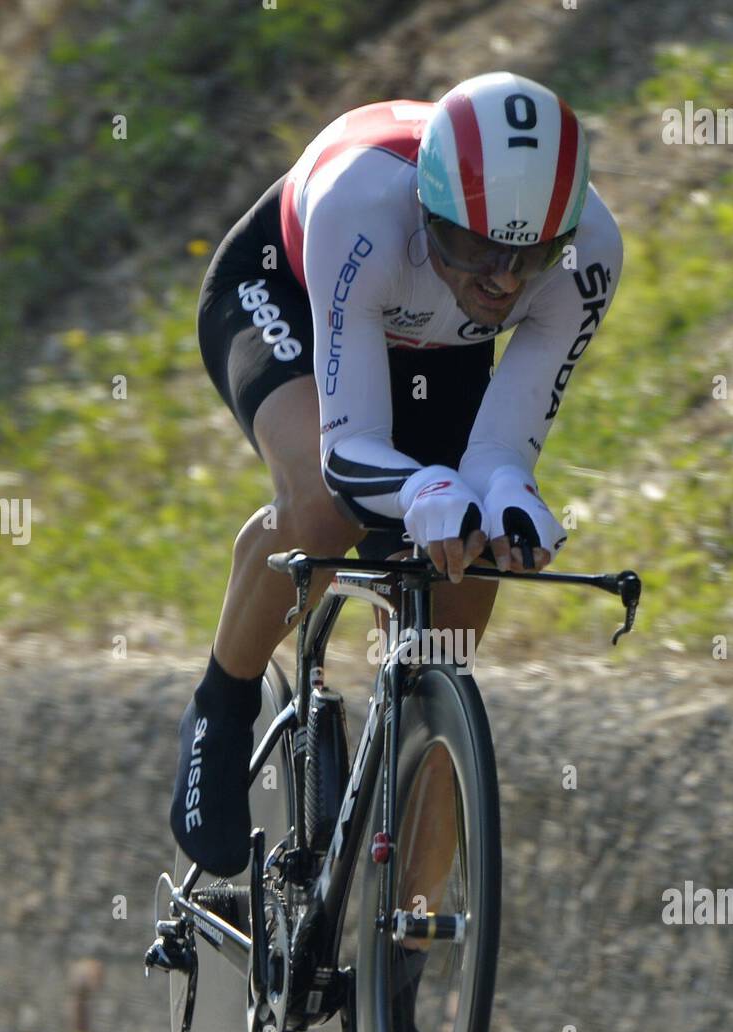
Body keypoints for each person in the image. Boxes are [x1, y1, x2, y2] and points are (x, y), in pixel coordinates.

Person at [170, 71, 623, 878]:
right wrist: (423, 490)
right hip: (288, 290)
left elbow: (500, 457)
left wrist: (509, 503)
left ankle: (408, 953)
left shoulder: (589, 253)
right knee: (321, 508)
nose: (505, 282)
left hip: (440, 347)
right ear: (428, 208)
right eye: (479, 248)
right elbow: (349, 453)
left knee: (462, 588)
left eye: (532, 257)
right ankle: (222, 704)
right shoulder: (364, 205)